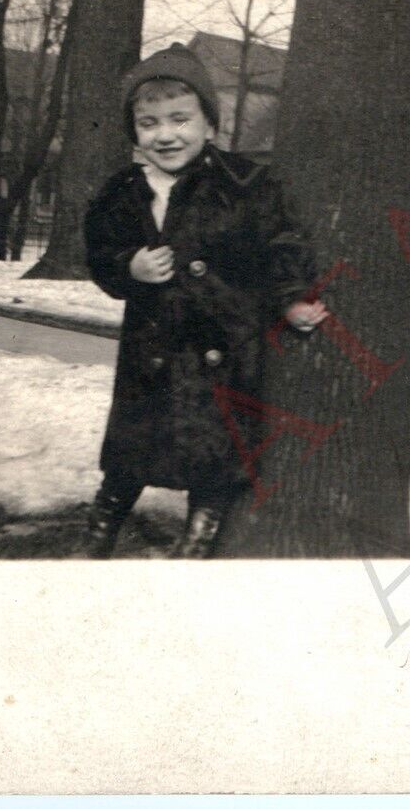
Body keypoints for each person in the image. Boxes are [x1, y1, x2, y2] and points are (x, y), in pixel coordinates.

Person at [82, 43, 329, 559]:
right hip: (151, 344)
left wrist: (289, 300)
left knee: (217, 445)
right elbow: (99, 251)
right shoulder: (122, 192)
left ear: (210, 126)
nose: (166, 134)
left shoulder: (246, 185)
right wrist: (130, 267)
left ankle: (199, 535)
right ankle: (104, 522)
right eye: (149, 123)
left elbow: (282, 244)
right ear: (135, 134)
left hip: (224, 342)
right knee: (133, 441)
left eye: (180, 119)